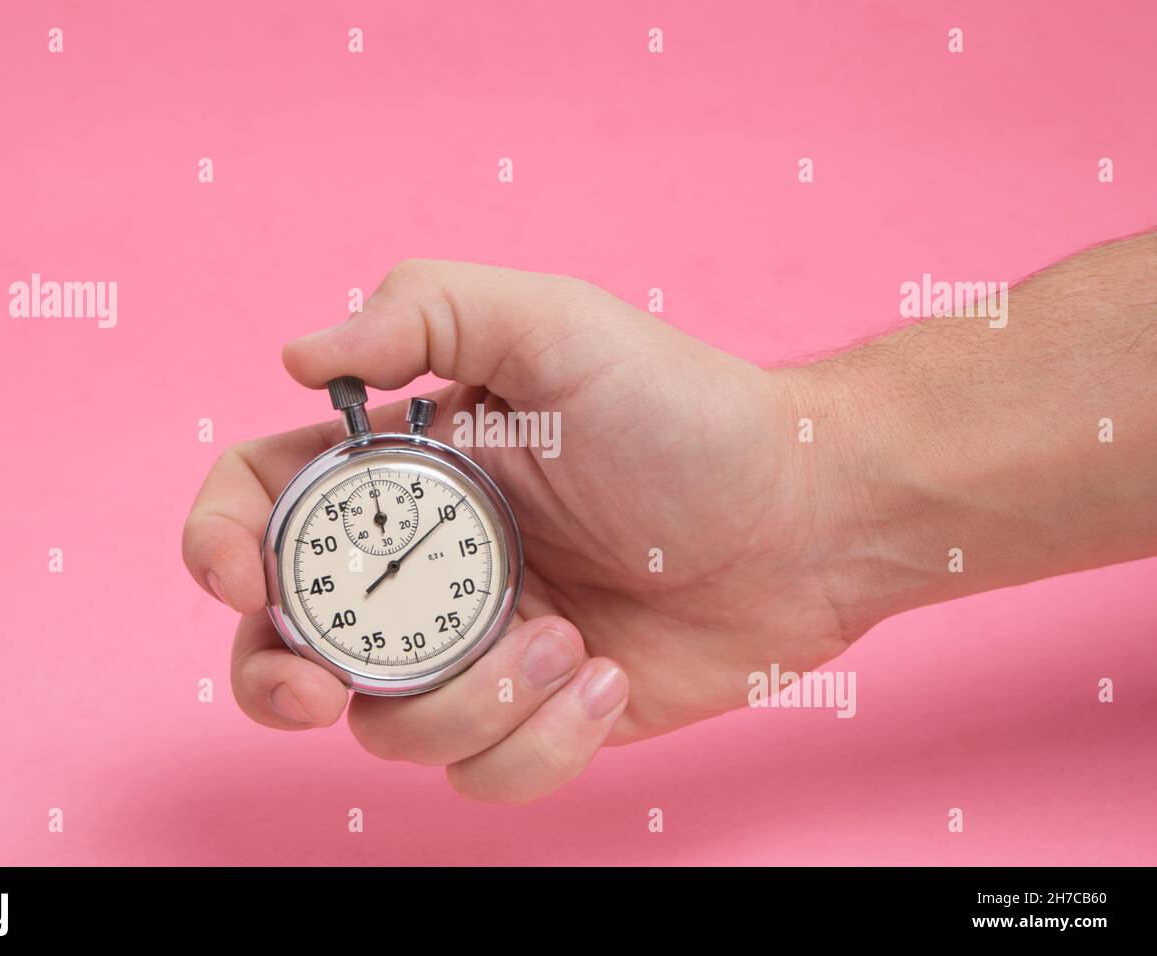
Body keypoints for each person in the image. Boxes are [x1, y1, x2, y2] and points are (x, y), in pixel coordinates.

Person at [182, 231, 1157, 804]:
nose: (388, 567)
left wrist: (811, 497)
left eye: (410, 549)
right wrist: (808, 496)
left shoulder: (467, 490)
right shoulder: (448, 490)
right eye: (358, 566)